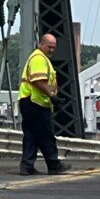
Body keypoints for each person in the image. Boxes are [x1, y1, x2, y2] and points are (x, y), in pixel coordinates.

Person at [19, 33, 71, 175]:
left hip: (30, 101)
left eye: (54, 47)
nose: (52, 50)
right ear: (41, 44)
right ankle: (54, 164)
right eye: (49, 47)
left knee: (31, 135)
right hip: (35, 102)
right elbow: (38, 80)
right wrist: (52, 96)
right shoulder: (39, 58)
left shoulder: (42, 58)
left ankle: (26, 165)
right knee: (46, 135)